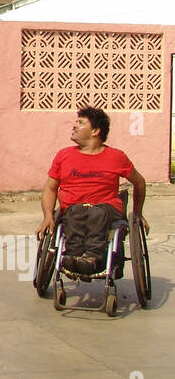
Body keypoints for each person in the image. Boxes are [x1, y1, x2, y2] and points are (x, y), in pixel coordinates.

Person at [38, 107, 147, 277]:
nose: (74, 126)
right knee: (75, 211)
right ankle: (73, 256)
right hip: (73, 209)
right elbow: (50, 188)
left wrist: (138, 213)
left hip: (107, 208)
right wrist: (47, 216)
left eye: (80, 123)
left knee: (97, 212)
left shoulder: (116, 157)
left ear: (95, 131)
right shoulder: (63, 156)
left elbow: (139, 183)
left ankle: (92, 259)